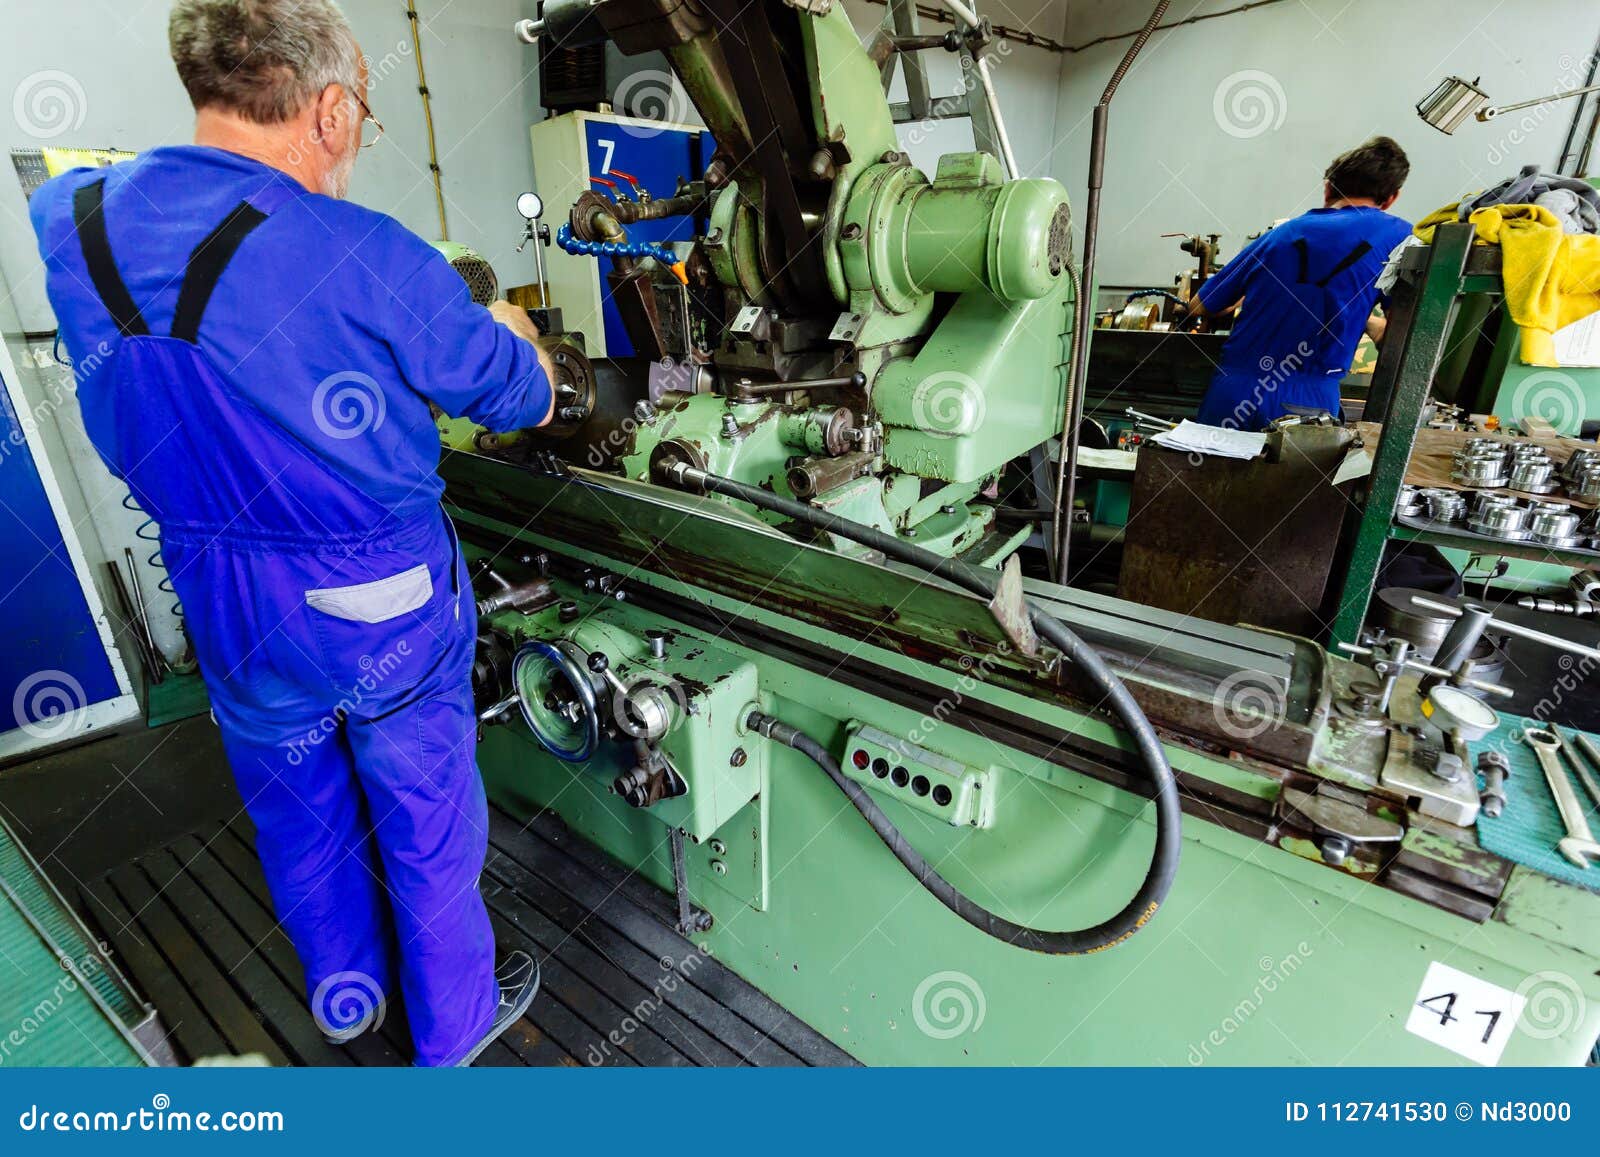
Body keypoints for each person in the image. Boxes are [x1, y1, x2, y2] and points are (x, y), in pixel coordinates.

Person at [30, 0, 552, 1067]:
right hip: (377, 597)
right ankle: (451, 1031)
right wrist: (514, 333)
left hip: (217, 584)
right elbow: (518, 400)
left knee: (295, 801)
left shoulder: (72, 219)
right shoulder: (362, 250)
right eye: (360, 109)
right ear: (325, 111)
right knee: (424, 814)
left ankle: (348, 995)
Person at [1190, 136, 1414, 430]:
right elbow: (1399, 342)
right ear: (1392, 198)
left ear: (1328, 188)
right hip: (1308, 405)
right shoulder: (1399, 237)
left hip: (1233, 394)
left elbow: (1199, 306)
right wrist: (1364, 320)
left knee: (1208, 475)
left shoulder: (1282, 233)